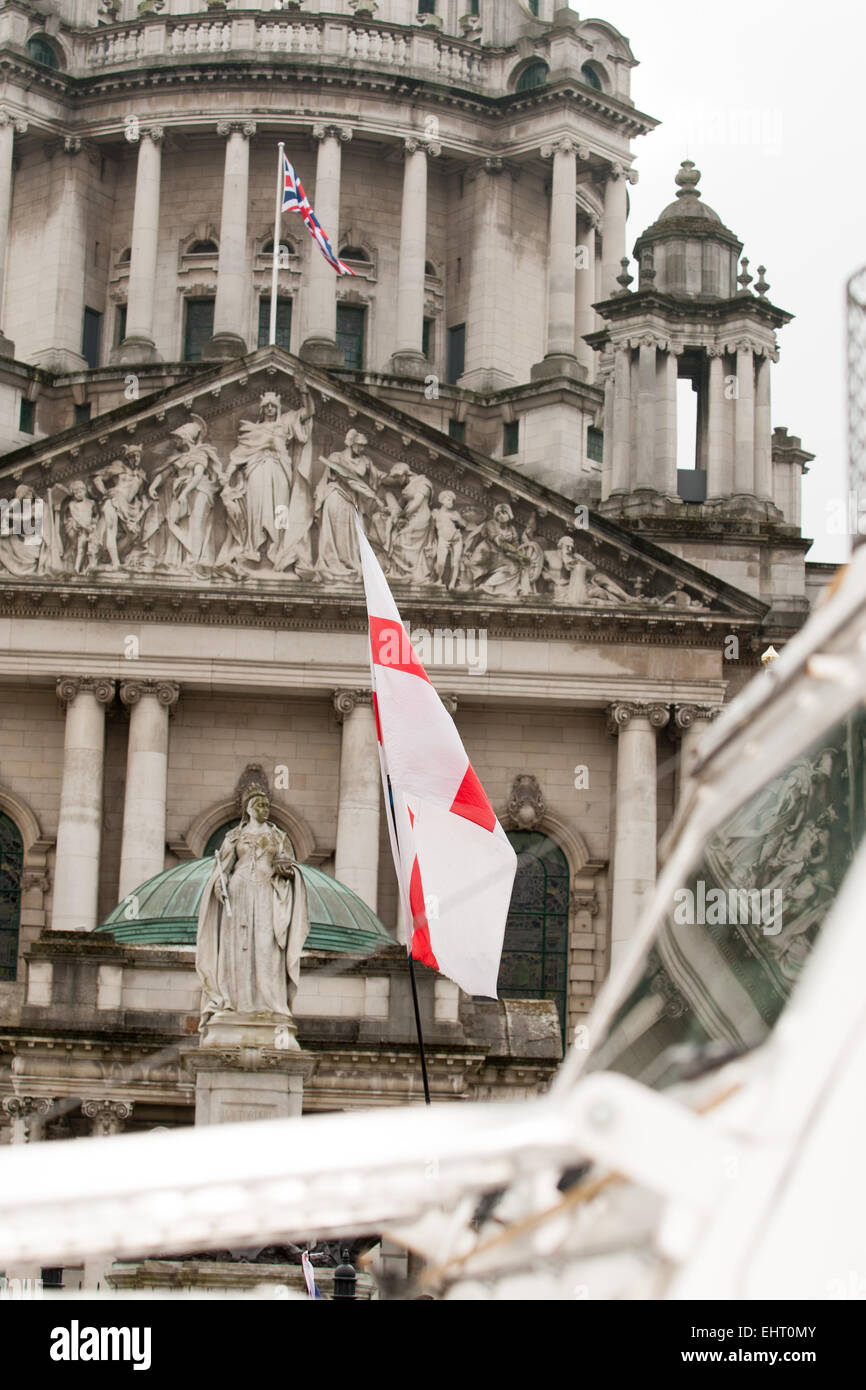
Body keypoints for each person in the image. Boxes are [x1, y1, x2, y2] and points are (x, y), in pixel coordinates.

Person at [196, 789, 309, 1026]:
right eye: (259, 805)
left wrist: (286, 870)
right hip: (238, 893)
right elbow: (223, 868)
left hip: (267, 892)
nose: (264, 809)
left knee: (266, 946)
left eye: (266, 805)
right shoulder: (234, 837)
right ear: (248, 809)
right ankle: (234, 1001)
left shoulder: (278, 837)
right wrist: (219, 883)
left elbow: (288, 866)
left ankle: (269, 1003)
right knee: (237, 946)